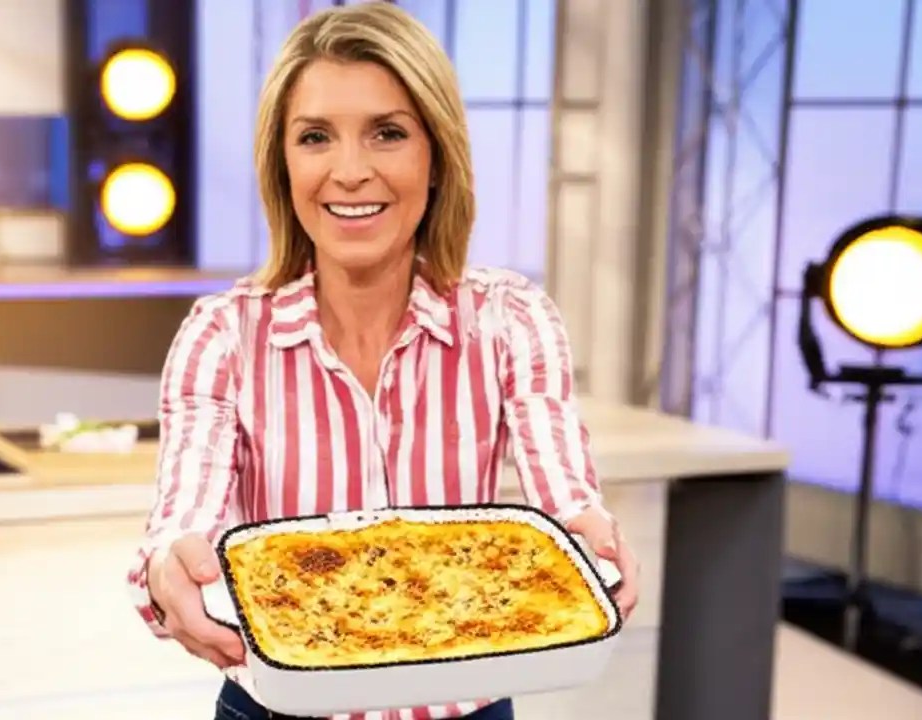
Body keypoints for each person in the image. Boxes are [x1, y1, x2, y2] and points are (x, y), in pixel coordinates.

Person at [126, 4, 640, 719]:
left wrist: (593, 542)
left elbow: (567, 499)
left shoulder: (510, 318)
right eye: (314, 137)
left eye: (388, 133)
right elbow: (184, 516)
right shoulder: (222, 334)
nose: (350, 171)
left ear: (438, 157)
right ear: (283, 164)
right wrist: (169, 568)